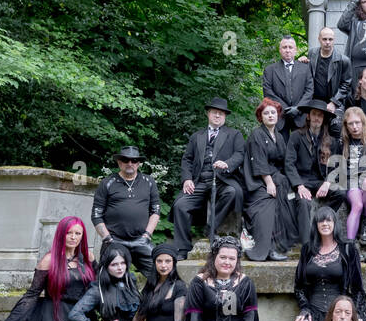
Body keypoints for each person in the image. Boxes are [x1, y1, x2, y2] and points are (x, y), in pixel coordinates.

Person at [170, 98, 245, 260]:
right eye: (214, 112)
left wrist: (227, 163)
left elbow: (240, 154)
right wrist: (187, 179)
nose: (217, 115)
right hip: (199, 181)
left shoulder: (234, 135)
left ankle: (211, 225)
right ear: (208, 114)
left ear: (225, 116)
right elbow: (187, 159)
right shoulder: (197, 136)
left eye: (221, 113)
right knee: (180, 205)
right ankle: (182, 248)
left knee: (233, 192)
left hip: (223, 180)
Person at [289, 206, 366, 321]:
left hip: (339, 310)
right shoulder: (307, 249)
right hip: (314, 310)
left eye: (328, 220)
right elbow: (299, 286)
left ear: (335, 223)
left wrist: (359, 314)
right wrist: (305, 308)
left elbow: (357, 286)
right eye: (321, 221)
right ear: (316, 225)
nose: (325, 224)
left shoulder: (348, 249)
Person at [91, 146, 160, 277]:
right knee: (106, 279)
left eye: (134, 161)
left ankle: (151, 297)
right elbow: (96, 215)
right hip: (115, 240)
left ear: (139, 163)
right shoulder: (107, 183)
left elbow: (155, 210)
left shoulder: (149, 182)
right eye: (125, 160)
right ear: (119, 162)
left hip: (141, 239)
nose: (130, 164)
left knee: (160, 272)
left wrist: (147, 235)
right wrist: (107, 238)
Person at [242, 97, 295, 262]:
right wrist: (269, 183)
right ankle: (268, 249)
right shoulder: (257, 135)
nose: (270, 115)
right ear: (261, 117)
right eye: (266, 113)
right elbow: (259, 162)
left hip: (276, 178)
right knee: (271, 207)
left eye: (273, 112)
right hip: (258, 182)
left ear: (278, 115)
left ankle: (279, 245)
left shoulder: (278, 136)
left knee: (288, 201)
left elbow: (285, 161)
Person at [285, 99, 340, 244]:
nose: (317, 118)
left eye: (320, 116)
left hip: (320, 181)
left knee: (340, 193)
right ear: (308, 116)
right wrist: (299, 186)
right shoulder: (296, 136)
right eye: (314, 114)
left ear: (324, 119)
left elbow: (336, 166)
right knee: (303, 203)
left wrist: (328, 182)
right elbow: (289, 164)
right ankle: (306, 245)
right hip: (302, 181)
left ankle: (323, 218)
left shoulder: (331, 141)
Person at [334, 106, 366, 242]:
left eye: (358, 122)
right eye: (351, 123)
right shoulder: (342, 141)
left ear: (363, 122)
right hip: (351, 181)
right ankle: (350, 244)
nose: (355, 127)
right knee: (357, 205)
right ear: (346, 125)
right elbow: (337, 165)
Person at [262, 35, 313, 138]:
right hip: (280, 117)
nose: (287, 50)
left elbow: (309, 90)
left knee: (301, 150)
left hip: (300, 117)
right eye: (284, 47)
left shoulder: (305, 69)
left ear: (295, 50)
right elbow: (268, 92)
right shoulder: (270, 70)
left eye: (290, 47)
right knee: (280, 151)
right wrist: (286, 109)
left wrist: (298, 108)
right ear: (280, 50)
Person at [308, 26, 351, 120]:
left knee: (336, 125)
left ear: (334, 40)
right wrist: (301, 61)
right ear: (319, 39)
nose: (327, 42)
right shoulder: (312, 54)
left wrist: (334, 102)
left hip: (335, 103)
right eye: (324, 39)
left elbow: (346, 85)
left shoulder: (343, 60)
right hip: (314, 101)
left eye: (330, 39)